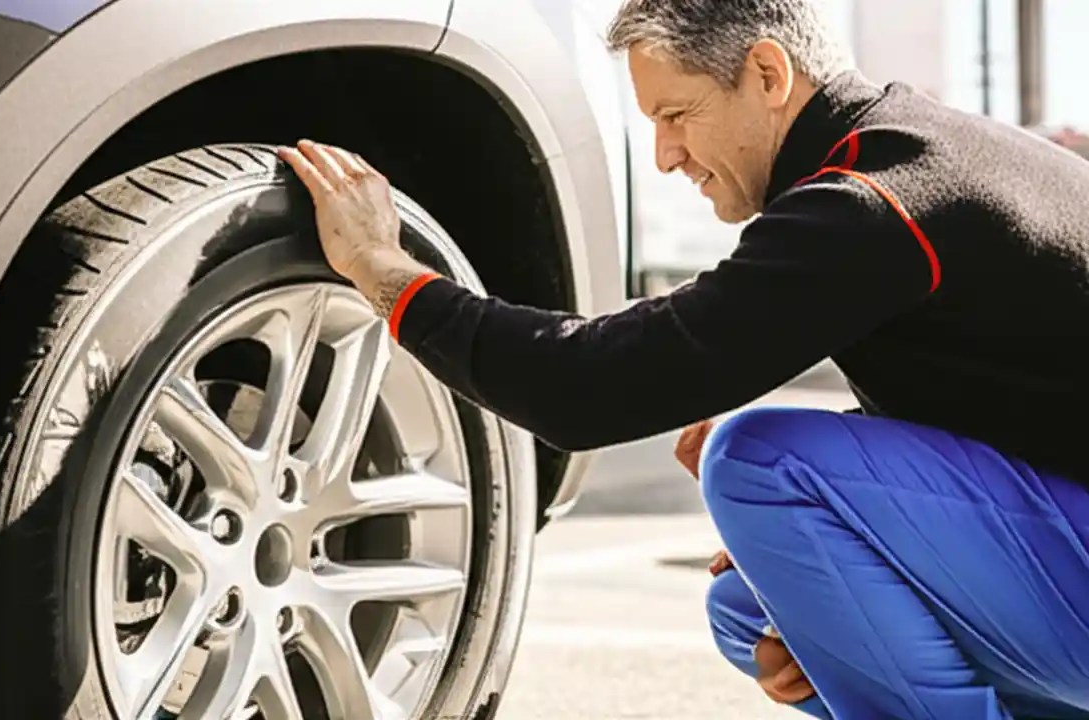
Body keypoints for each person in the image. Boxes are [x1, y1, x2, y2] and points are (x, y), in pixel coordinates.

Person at [275, 0, 1089, 716]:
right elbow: (1021, 402)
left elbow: (591, 389)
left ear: (767, 73)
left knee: (757, 461)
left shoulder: (873, 201)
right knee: (751, 604)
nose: (666, 155)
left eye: (677, 114)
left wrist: (390, 278)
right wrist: (860, 524)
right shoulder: (915, 154)